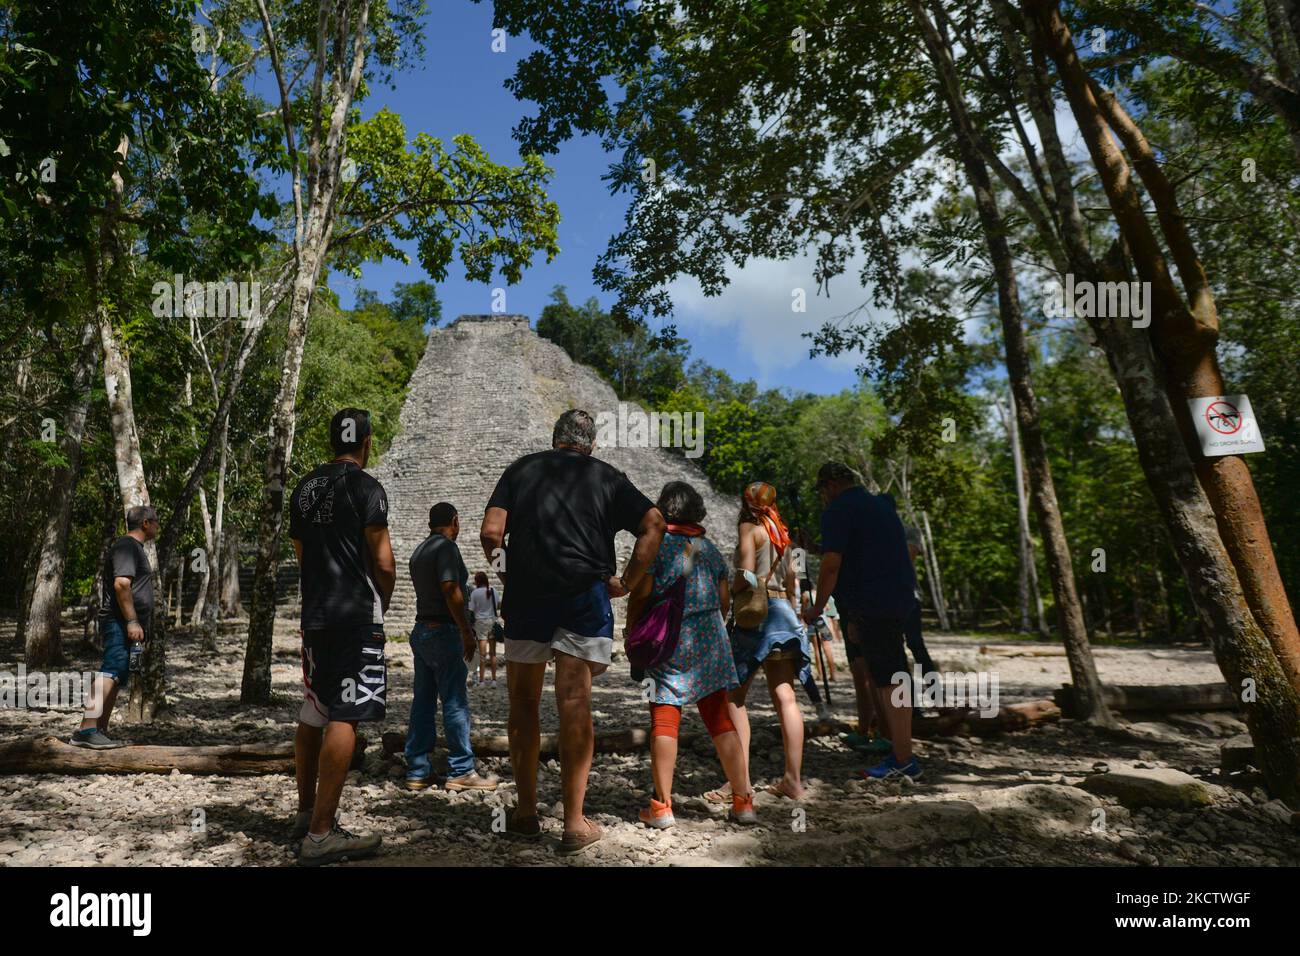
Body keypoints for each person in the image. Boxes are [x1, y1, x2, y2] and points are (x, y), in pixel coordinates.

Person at [481, 409, 665, 855]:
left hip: (528, 598)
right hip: (584, 595)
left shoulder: (522, 469)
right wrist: (629, 580)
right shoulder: (607, 477)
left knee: (523, 703)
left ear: (555, 439)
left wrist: (508, 576)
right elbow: (655, 523)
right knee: (575, 701)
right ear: (591, 445)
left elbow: (490, 532)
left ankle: (525, 815)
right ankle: (573, 823)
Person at [289, 408, 396, 865]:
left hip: (315, 615)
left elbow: (300, 551)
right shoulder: (368, 488)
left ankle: (305, 810)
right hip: (355, 616)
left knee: (315, 708)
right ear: (367, 443)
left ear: (332, 442)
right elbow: (384, 561)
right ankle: (320, 834)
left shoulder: (304, 488)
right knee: (346, 715)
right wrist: (381, 601)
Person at [626, 481, 757, 828]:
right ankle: (743, 801)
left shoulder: (657, 547)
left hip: (668, 640)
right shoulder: (709, 549)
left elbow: (641, 593)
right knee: (720, 721)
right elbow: (725, 598)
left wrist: (631, 628)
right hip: (710, 642)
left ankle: (662, 807)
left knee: (664, 720)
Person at [803, 461, 921, 781]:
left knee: (888, 678)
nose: (823, 498)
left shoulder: (839, 510)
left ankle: (903, 758)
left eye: (822, 491)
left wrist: (817, 608)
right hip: (896, 599)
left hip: (874, 603)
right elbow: (863, 554)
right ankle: (899, 749)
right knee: (891, 673)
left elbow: (831, 565)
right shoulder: (879, 505)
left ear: (829, 485)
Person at [404, 503, 499, 793]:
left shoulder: (419, 551)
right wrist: (465, 630)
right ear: (455, 521)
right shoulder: (446, 548)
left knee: (422, 700)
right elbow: (449, 588)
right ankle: (461, 768)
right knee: (455, 700)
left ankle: (418, 769)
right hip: (444, 631)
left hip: (421, 629)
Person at [724, 481, 809, 801]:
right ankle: (793, 780)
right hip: (784, 615)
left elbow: (746, 572)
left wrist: (730, 592)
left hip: (757, 615)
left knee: (733, 696)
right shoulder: (781, 533)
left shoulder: (750, 527)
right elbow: (792, 582)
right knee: (785, 696)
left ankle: (739, 781)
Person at [70, 505, 160, 749]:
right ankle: (86, 729)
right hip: (119, 621)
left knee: (117, 674)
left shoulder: (134, 549)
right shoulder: (127, 547)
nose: (157, 526)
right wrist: (131, 620)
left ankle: (99, 730)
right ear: (145, 524)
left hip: (127, 623)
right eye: (155, 522)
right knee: (109, 671)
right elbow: (121, 585)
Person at [903, 525, 937, 677]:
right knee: (893, 647)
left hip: (909, 594)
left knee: (915, 642)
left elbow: (908, 558)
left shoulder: (909, 530)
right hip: (885, 597)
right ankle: (904, 694)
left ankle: (934, 691)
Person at [467, 571, 501, 686]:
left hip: (480, 624)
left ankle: (481, 680)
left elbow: (470, 610)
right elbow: (499, 605)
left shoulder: (475, 593)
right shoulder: (493, 591)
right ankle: (494, 680)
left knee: (482, 654)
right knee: (493, 653)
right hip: (492, 622)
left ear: (477, 581)